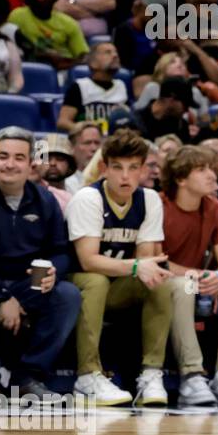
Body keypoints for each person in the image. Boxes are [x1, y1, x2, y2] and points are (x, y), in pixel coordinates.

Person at [66, 128, 176, 406]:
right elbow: (88, 260)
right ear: (104, 168)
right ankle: (88, 375)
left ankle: (151, 374)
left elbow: (147, 260)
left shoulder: (149, 199)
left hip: (119, 285)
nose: (125, 176)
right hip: (77, 283)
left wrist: (141, 266)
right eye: (117, 168)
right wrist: (138, 265)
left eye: (133, 168)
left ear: (142, 169)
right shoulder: (88, 198)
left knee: (162, 281)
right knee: (96, 280)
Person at [159, 145, 218, 407]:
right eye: (201, 170)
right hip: (166, 285)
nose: (212, 175)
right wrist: (199, 276)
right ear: (180, 178)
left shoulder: (217, 209)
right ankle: (192, 375)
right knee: (183, 285)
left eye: (211, 168)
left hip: (200, 283)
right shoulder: (159, 205)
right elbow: (157, 261)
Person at [0, 127, 81, 402]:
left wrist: (55, 270)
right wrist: (4, 297)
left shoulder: (45, 200)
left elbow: (60, 251)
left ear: (30, 163)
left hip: (25, 283)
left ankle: (28, 377)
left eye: (19, 157)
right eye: (2, 156)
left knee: (67, 295)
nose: (10, 164)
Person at [57, 42, 129, 131]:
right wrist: (83, 130)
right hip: (89, 141)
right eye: (108, 52)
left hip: (115, 140)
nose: (115, 55)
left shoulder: (121, 86)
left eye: (116, 52)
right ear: (93, 63)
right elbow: (63, 122)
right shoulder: (80, 86)